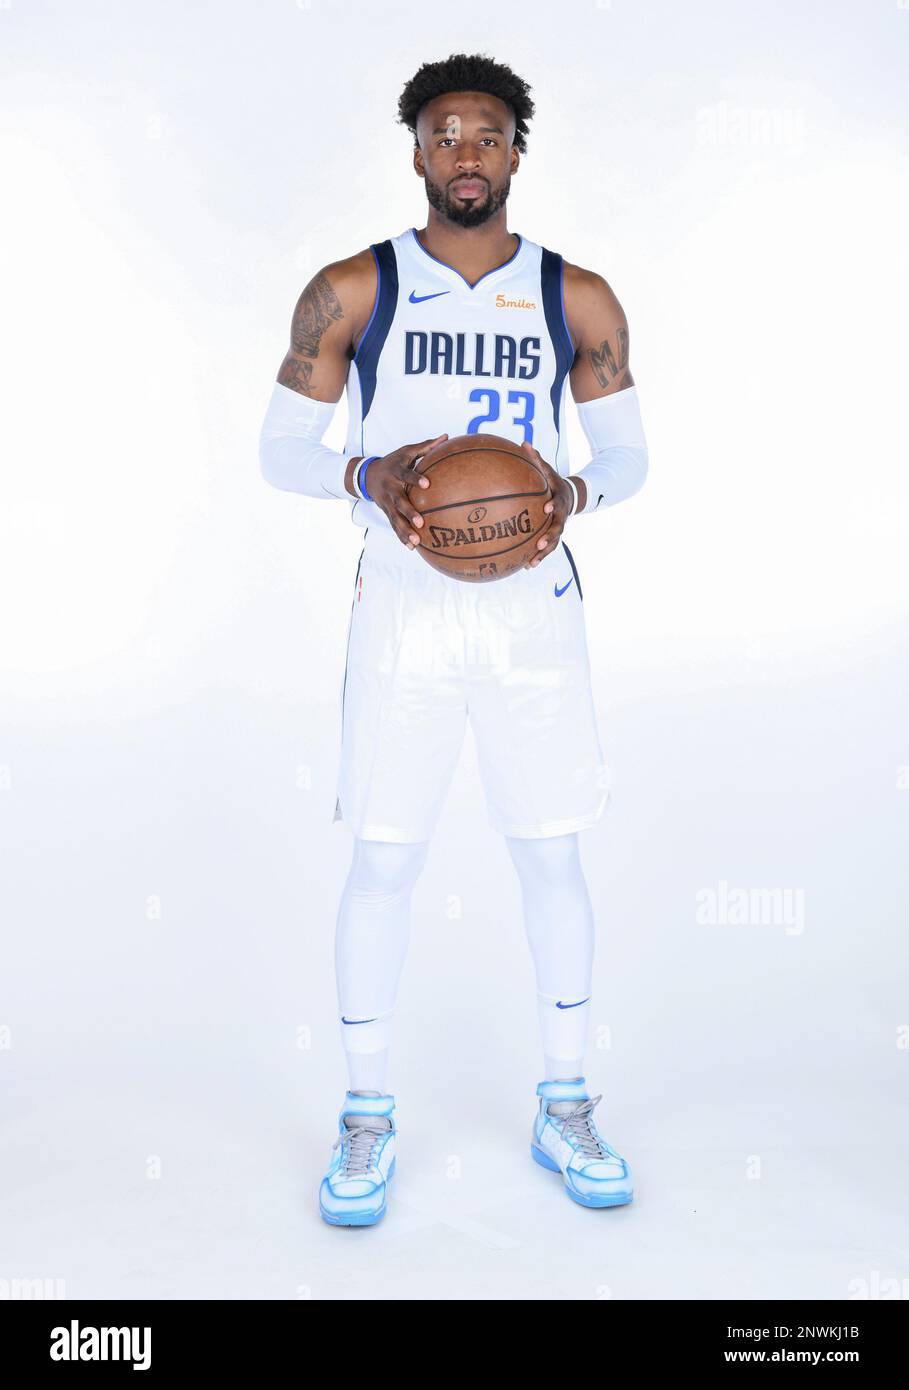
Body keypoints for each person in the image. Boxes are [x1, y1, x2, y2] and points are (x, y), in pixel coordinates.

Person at [259, 53, 648, 1225]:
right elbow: (281, 453)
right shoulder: (352, 290)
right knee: (383, 855)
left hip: (533, 609)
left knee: (552, 854)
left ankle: (565, 1101)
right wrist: (371, 470)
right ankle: (368, 1114)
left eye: (488, 134)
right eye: (444, 133)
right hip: (404, 607)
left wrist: (561, 498)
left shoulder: (577, 297)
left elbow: (627, 461)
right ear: (417, 152)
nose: (466, 151)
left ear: (517, 152)